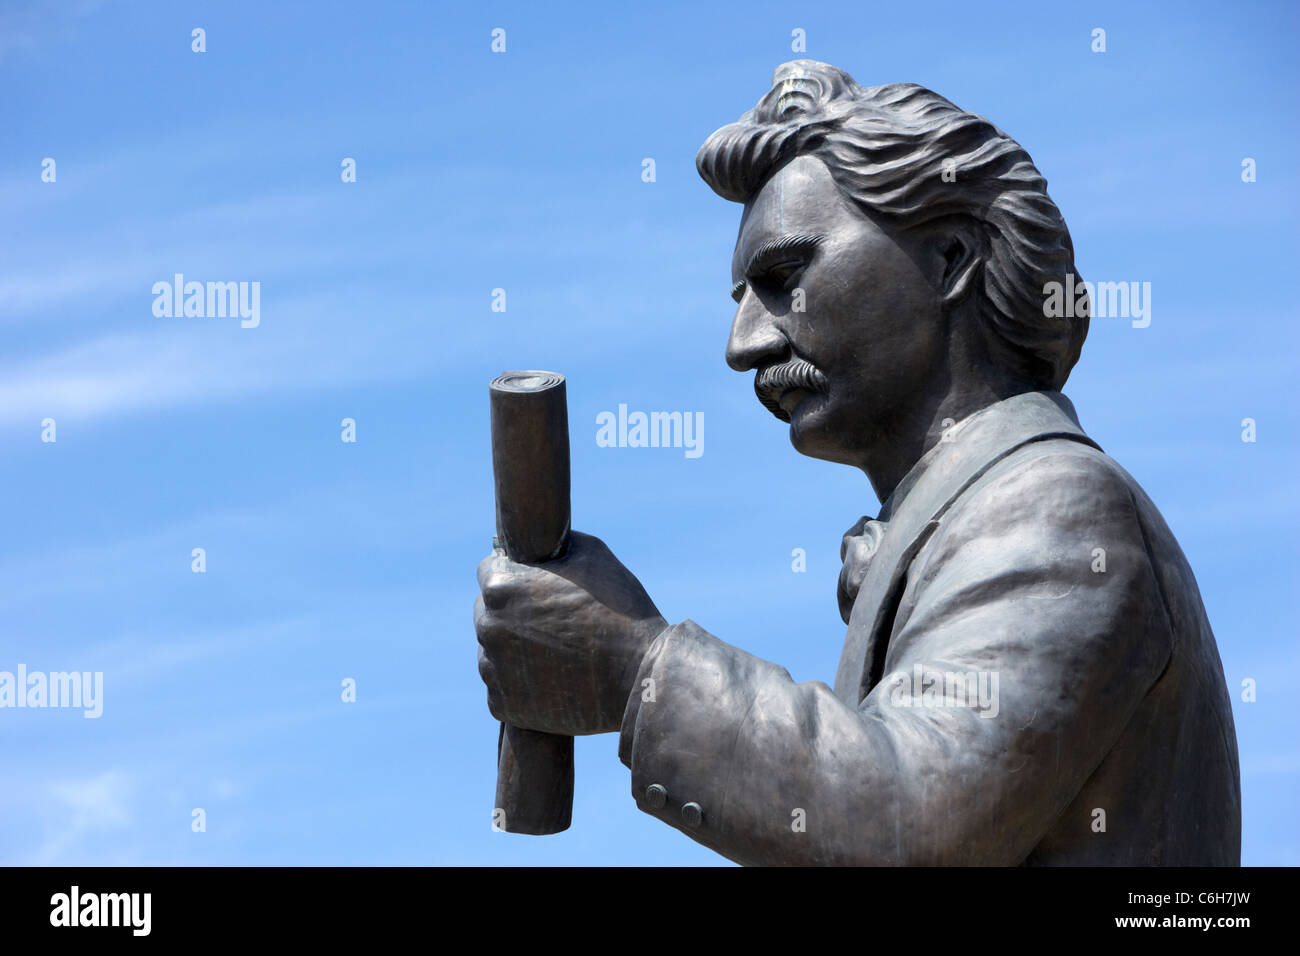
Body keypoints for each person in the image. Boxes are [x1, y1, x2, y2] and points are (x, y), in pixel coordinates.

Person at [474, 60, 1241, 865]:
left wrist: (635, 671)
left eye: (783, 278)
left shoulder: (1056, 505)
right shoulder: (968, 522)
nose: (745, 345)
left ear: (948, 258)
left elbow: (911, 817)